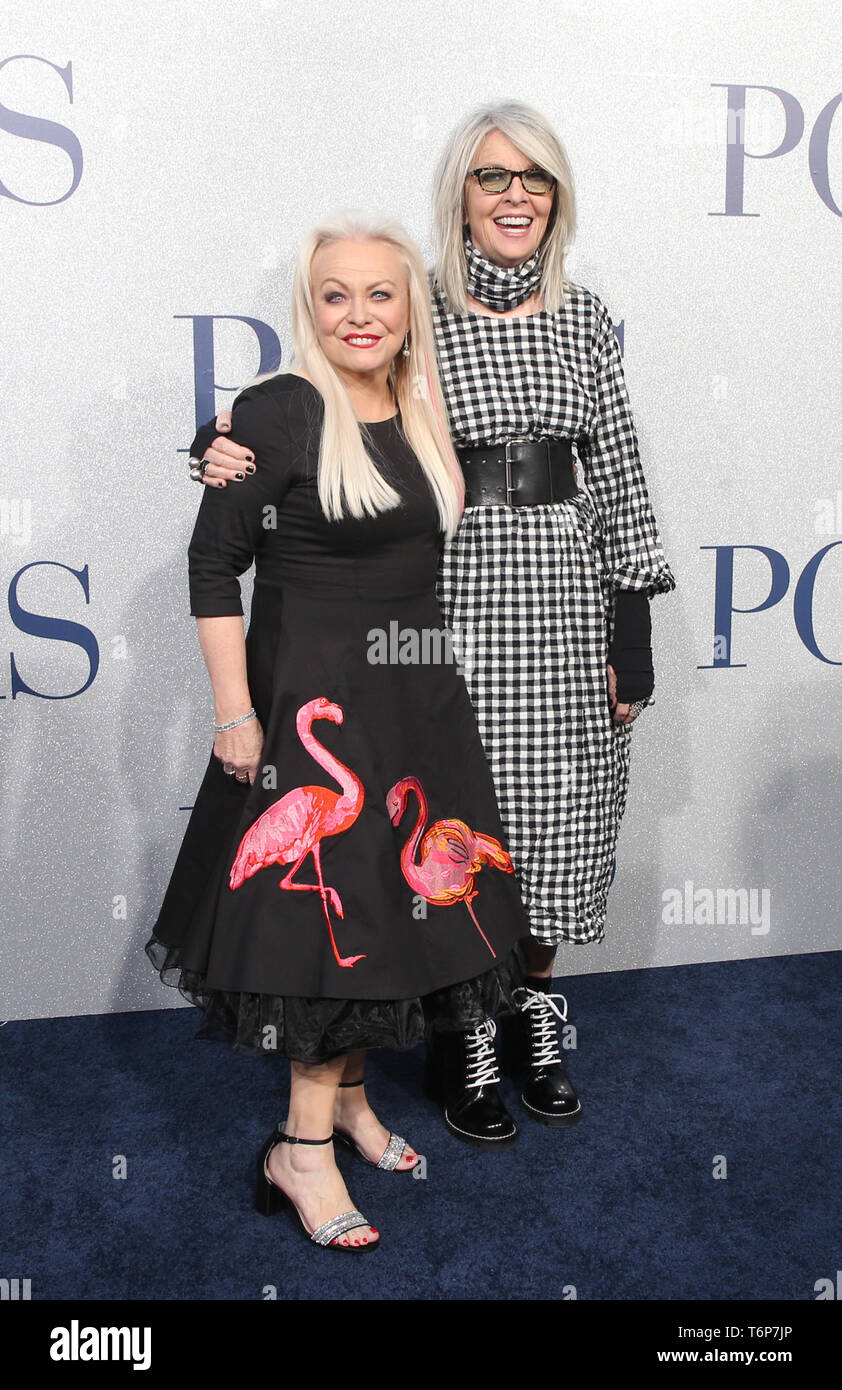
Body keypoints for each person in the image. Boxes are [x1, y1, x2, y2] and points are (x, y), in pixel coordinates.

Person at [187, 101, 676, 1148]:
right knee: (459, 822)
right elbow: (323, 393)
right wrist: (217, 438)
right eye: (492, 177)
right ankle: (464, 1030)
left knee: (554, 820)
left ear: (557, 199)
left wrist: (626, 620)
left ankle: (529, 1006)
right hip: (444, 597)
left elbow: (619, 463)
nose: (514, 196)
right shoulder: (420, 310)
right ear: (458, 193)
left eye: (534, 178)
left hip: (560, 587)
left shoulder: (584, 318)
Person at [147, 212, 530, 1251]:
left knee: (396, 910)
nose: (357, 314)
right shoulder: (278, 408)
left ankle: (353, 1106)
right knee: (335, 925)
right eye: (334, 293)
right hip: (317, 702)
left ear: (411, 308)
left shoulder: (418, 400)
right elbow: (212, 567)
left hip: (415, 702)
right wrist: (234, 712)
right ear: (307, 306)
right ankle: (298, 1148)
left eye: (379, 293)